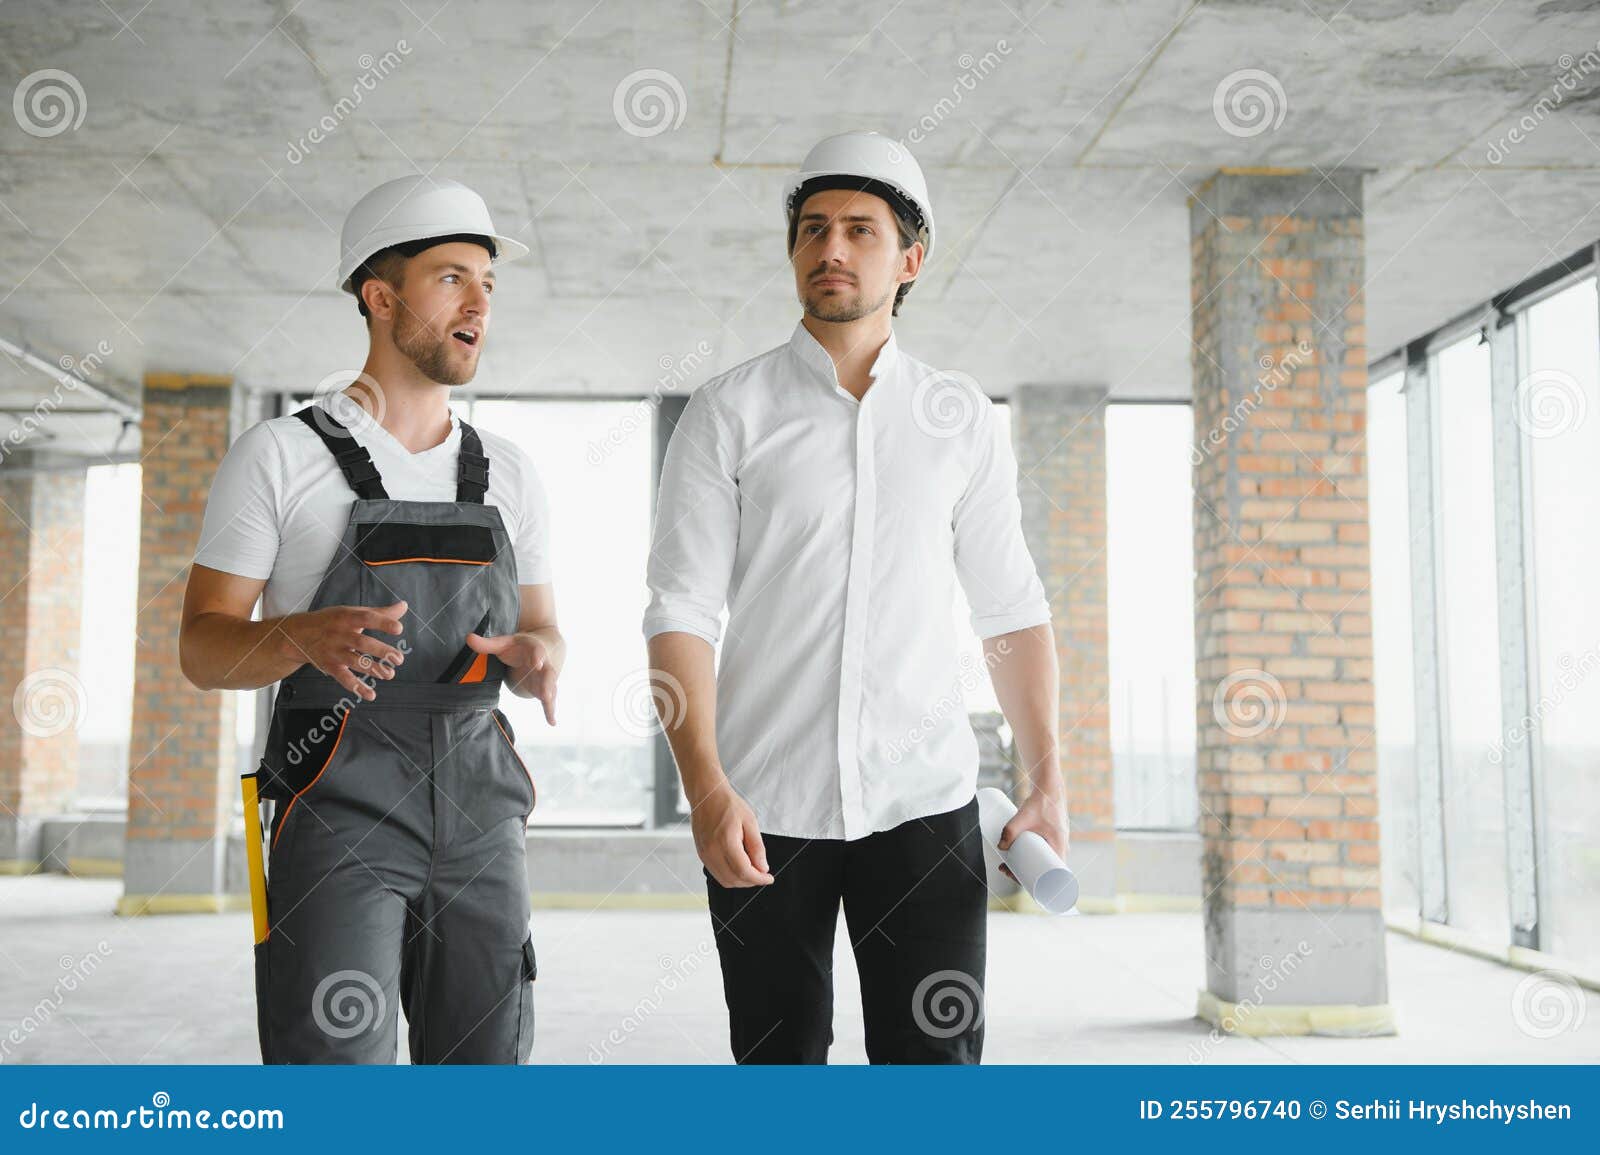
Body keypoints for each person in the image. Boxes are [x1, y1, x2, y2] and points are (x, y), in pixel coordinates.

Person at [644, 131, 1069, 1064]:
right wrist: (705, 788)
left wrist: (1047, 779)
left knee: (933, 1074)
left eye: (860, 231)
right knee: (778, 1065)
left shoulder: (962, 420)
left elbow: (1011, 610)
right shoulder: (728, 411)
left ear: (909, 259)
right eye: (812, 229)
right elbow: (680, 610)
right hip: (762, 809)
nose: (830, 249)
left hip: (926, 808)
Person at [179, 175, 564, 1064]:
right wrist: (295, 638)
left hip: (482, 806)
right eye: (452, 278)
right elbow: (202, 646)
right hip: (334, 802)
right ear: (379, 297)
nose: (480, 302)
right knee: (331, 1064)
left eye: (489, 283)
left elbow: (545, 626)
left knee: (484, 1066)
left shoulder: (508, 470)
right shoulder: (279, 455)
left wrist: (538, 653)